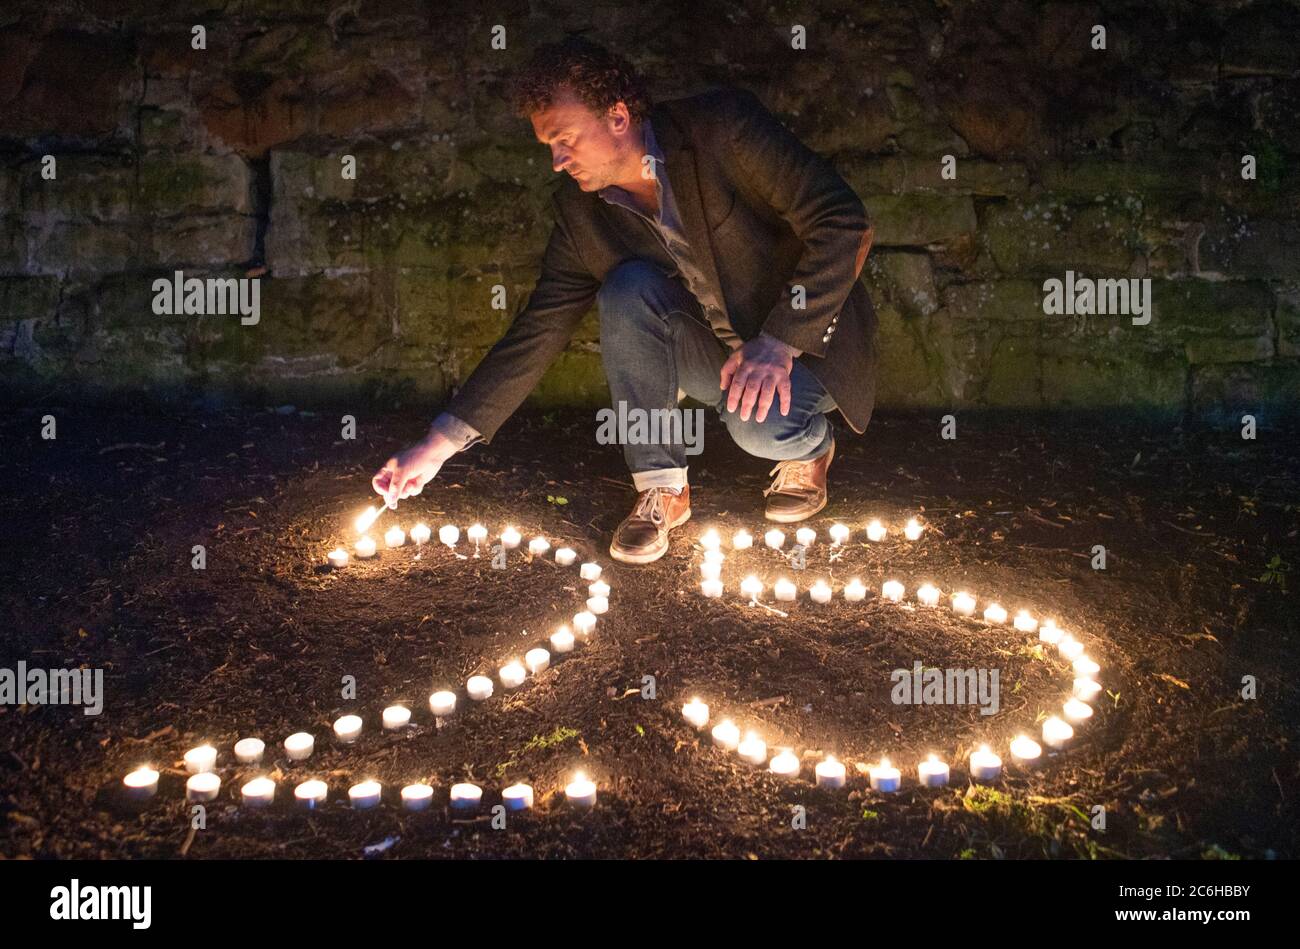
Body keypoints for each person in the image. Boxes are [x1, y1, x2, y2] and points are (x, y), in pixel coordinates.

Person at [373, 37, 877, 564]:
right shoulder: (582, 213)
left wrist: (779, 341)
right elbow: (539, 327)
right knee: (627, 287)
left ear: (617, 116)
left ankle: (811, 448)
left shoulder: (721, 129)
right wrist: (437, 445)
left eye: (564, 139)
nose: (556, 161)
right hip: (720, 360)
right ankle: (663, 487)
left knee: (761, 429)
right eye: (548, 145)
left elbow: (844, 222)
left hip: (810, 344)